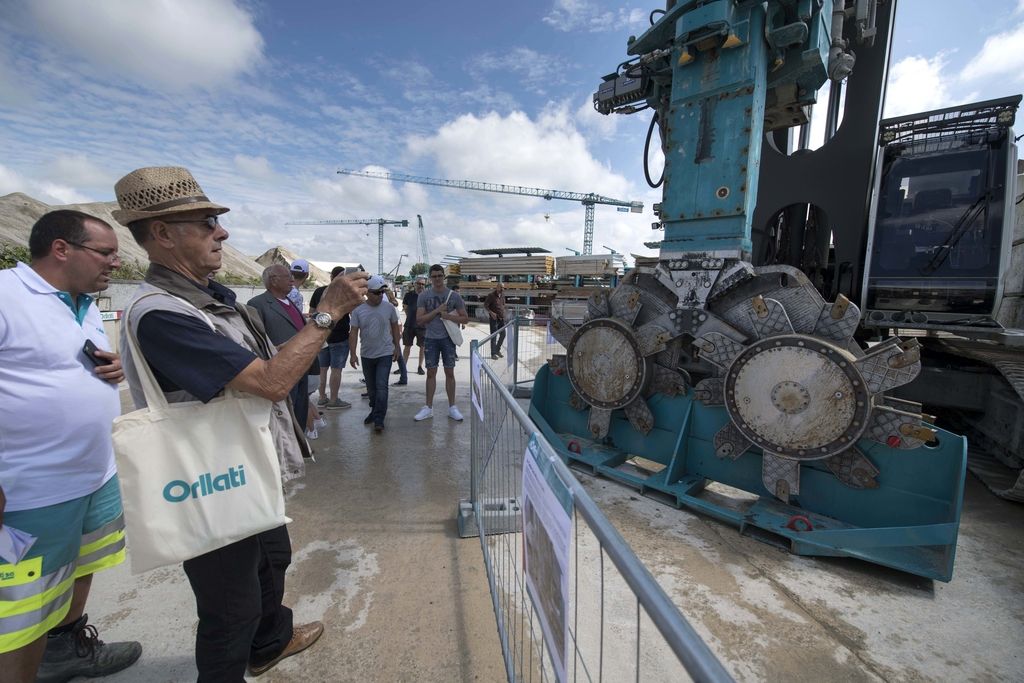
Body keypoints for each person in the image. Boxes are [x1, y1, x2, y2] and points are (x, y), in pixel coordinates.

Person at [112, 166, 367, 680]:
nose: (221, 233)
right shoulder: (162, 313)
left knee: (274, 556)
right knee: (230, 606)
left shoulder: (210, 299)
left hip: (244, 463)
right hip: (207, 477)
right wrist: (328, 312)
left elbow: (272, 374)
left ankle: (270, 641)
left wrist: (302, 405)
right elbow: (271, 380)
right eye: (207, 223)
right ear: (162, 234)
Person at [0, 210, 142, 683]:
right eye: (106, 253)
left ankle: (66, 648)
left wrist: (115, 369)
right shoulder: (7, 296)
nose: (116, 264)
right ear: (62, 249)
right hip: (29, 495)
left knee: (80, 570)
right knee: (18, 617)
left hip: (93, 478)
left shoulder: (79, 303)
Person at [248, 265, 315, 439]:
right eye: (287, 277)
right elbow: (257, 340)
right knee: (284, 412)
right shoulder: (257, 304)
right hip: (280, 368)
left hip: (301, 365)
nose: (292, 280)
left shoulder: (289, 300)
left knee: (300, 407)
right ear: (273, 280)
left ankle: (299, 442)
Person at [414, 264, 469, 422]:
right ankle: (428, 407)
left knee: (449, 373)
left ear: (443, 277)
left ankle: (452, 407)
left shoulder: (454, 296)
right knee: (431, 373)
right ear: (430, 278)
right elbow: (419, 320)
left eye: (440, 276)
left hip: (448, 339)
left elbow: (465, 318)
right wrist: (437, 311)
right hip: (431, 338)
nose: (437, 279)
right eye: (434, 276)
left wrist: (448, 316)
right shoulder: (424, 296)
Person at [348, 275, 401, 432]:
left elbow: (395, 328)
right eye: (376, 293)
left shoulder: (389, 308)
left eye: (381, 292)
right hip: (367, 355)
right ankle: (374, 411)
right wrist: (352, 354)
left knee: (381, 386)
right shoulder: (358, 311)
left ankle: (379, 419)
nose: (380, 295)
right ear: (367, 293)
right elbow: (353, 333)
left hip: (385, 353)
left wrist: (397, 347)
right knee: (371, 389)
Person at [310, 266, 352, 409]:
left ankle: (321, 398)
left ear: (331, 277)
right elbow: (354, 312)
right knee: (336, 369)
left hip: (322, 337)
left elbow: (312, 313)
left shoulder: (319, 291)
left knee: (322, 368)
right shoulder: (345, 293)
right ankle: (334, 400)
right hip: (340, 336)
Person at [398, 276, 427, 376]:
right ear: (415, 284)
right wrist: (411, 317)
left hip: (422, 326)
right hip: (409, 325)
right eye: (419, 283)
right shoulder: (408, 295)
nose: (421, 286)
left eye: (423, 284)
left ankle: (420, 367)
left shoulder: (427, 296)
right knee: (407, 346)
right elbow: (405, 307)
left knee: (422, 347)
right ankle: (403, 366)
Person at [485, 281, 507, 359]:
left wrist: (503, 312)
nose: (502, 289)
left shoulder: (503, 295)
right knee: (494, 336)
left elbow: (503, 305)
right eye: (501, 287)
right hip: (494, 319)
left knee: (503, 334)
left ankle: (497, 350)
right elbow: (486, 306)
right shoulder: (491, 295)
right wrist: (491, 313)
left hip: (501, 318)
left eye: (503, 287)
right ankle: (493, 353)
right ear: (497, 287)